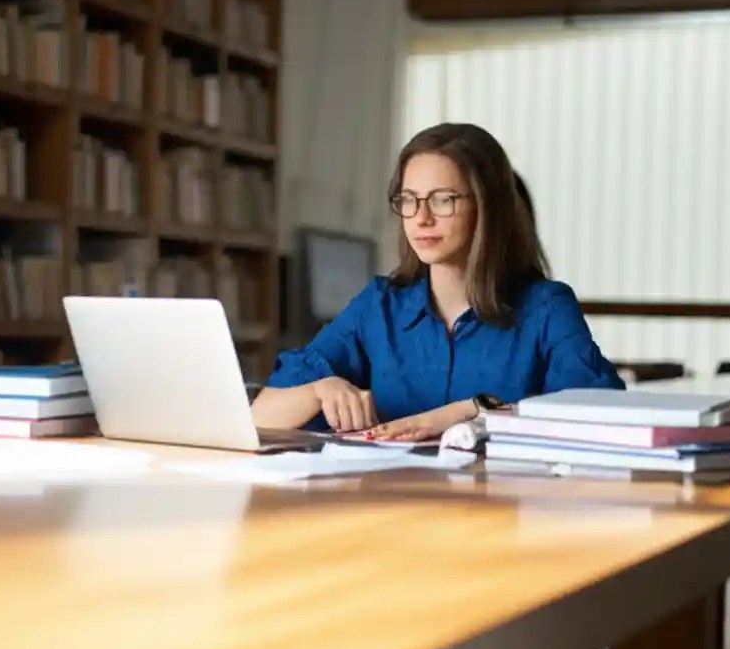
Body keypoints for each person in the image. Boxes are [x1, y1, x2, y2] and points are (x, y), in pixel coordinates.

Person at [251, 122, 624, 440]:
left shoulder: (546, 307)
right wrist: (320, 390)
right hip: (394, 506)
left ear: (486, 206)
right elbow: (260, 417)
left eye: (443, 200)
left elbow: (596, 415)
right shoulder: (379, 306)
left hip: (503, 511)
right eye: (409, 199)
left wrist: (470, 412)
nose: (421, 218)